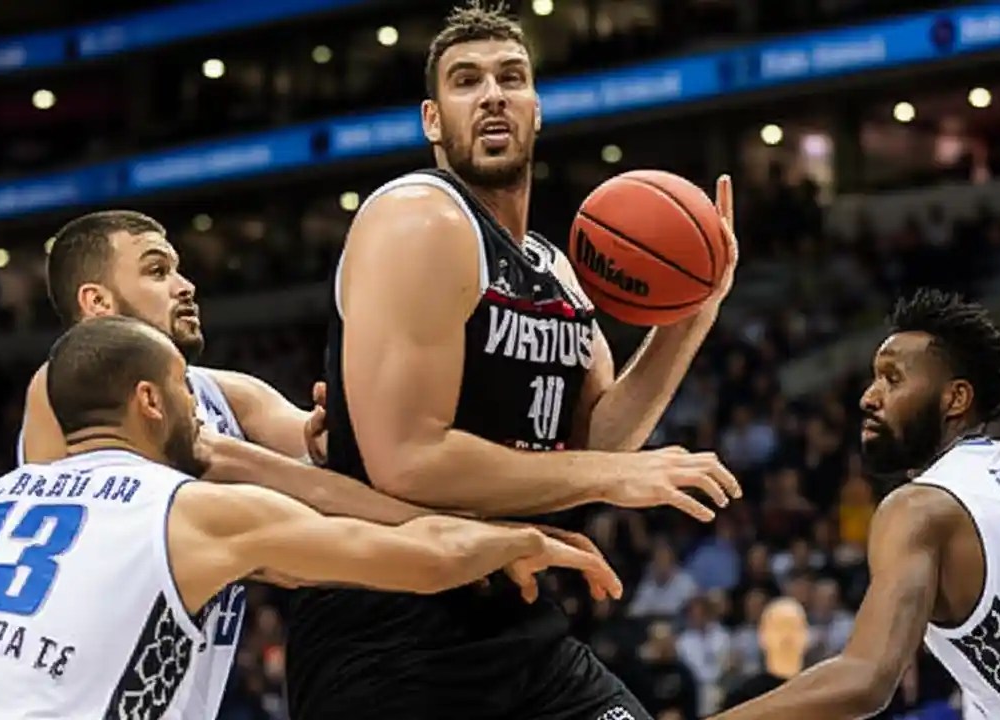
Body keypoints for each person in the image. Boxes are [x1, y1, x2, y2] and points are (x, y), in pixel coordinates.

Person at [286, 3, 743, 719]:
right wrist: (616, 474)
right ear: (433, 120)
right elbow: (407, 461)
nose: (492, 93)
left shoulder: (556, 268)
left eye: (511, 77)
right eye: (466, 81)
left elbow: (595, 442)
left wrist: (692, 316)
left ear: (537, 110)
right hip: (391, 627)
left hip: (516, 616)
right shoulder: (420, 217)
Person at [0, 316, 618, 720]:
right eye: (184, 388)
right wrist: (522, 537)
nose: (195, 404)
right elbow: (419, 556)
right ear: (149, 401)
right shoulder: (185, 509)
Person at [711, 288, 1000, 719]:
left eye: (893, 378)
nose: (869, 396)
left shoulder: (922, 507)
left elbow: (864, 679)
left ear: (955, 399)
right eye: (874, 377)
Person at [20, 209, 446, 525]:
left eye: (178, 270)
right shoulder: (60, 385)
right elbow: (253, 471)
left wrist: (337, 436)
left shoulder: (230, 394)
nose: (185, 286)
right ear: (98, 302)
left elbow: (310, 447)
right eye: (156, 271)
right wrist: (430, 530)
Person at [719, 597, 809, 709]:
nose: (786, 637)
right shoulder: (742, 698)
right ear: (763, 636)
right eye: (779, 628)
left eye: (794, 628)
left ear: (807, 636)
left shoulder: (824, 692)